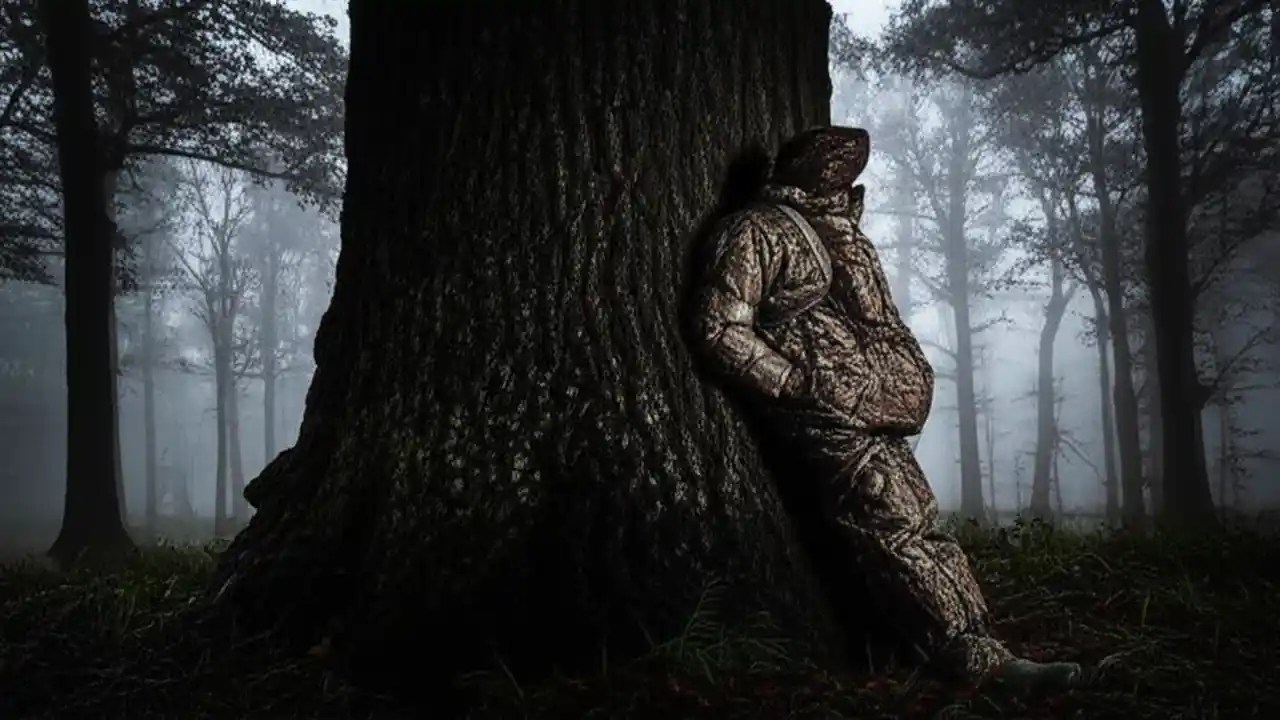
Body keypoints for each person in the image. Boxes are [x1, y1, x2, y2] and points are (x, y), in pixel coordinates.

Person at [689, 125, 1082, 693]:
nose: (840, 172)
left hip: (872, 414)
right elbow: (719, 327)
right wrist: (796, 381)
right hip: (829, 415)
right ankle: (975, 662)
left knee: (912, 521)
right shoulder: (758, 231)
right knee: (895, 522)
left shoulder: (840, 233)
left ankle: (948, 645)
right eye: (829, 163)